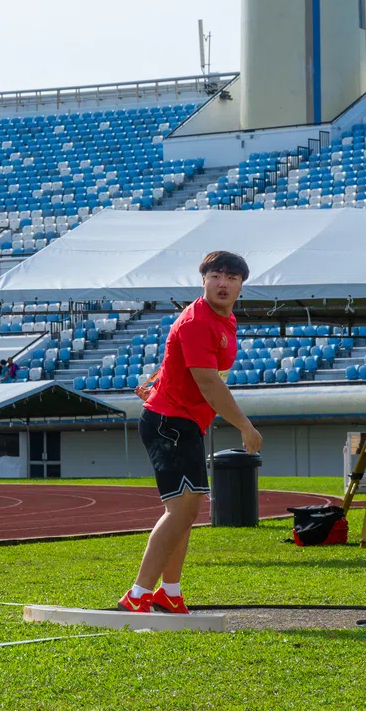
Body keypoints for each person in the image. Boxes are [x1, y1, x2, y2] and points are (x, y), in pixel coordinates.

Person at [119, 251, 262, 615]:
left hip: (182, 421)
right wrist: (244, 425)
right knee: (182, 511)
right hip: (171, 423)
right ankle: (137, 595)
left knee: (186, 511)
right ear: (203, 280)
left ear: (242, 284)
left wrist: (158, 383)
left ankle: (169, 592)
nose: (223, 283)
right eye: (216, 275)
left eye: (232, 277)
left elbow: (183, 364)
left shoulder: (224, 320)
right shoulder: (199, 320)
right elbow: (208, 382)